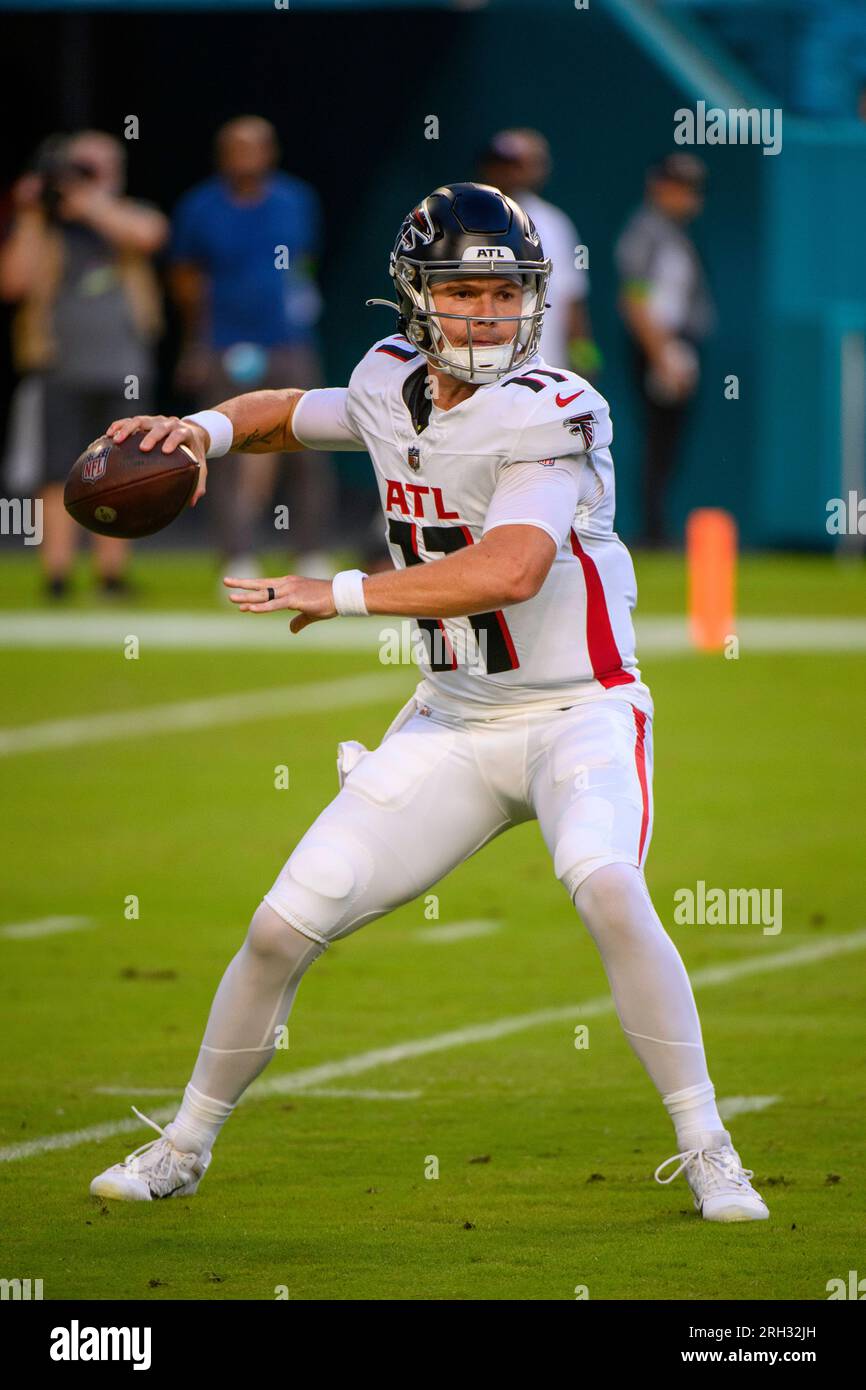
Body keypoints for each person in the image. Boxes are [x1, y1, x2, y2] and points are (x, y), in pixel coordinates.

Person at [90, 183, 767, 1224]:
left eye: (507, 293)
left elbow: (508, 567)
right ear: (415, 296)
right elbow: (285, 414)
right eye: (467, 292)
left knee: (605, 887)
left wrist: (341, 591)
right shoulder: (385, 380)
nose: (490, 313)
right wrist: (196, 433)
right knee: (279, 927)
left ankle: (707, 1144)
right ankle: (183, 1145)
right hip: (450, 722)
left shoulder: (554, 406)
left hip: (575, 714)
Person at [0, 131, 167, 598]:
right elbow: (12, 283)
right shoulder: (45, 227)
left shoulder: (129, 214)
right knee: (56, 472)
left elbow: (149, 235)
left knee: (126, 470)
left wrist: (89, 200)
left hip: (125, 368)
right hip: (59, 366)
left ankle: (111, 575)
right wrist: (32, 213)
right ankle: (56, 575)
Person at [169, 115, 336, 579]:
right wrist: (196, 345)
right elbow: (186, 280)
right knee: (222, 445)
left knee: (311, 441)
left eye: (255, 147)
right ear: (222, 155)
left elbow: (302, 262)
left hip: (288, 341)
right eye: (236, 148)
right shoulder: (200, 206)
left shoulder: (295, 200)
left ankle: (310, 551)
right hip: (224, 343)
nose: (246, 156)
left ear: (270, 152)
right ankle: (237, 555)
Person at [615, 154, 715, 547]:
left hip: (675, 342)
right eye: (681, 188)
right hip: (660, 343)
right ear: (658, 186)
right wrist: (662, 353)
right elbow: (634, 298)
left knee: (669, 440)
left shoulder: (676, 234)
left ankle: (657, 526)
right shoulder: (646, 232)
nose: (690, 199)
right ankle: (652, 531)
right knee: (659, 438)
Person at [479, 128, 600, 378]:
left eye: (516, 164)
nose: (507, 172)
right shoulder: (460, 217)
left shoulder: (554, 222)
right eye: (500, 163)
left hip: (543, 366)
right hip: (479, 363)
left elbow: (571, 297)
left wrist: (584, 354)